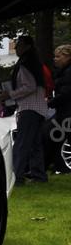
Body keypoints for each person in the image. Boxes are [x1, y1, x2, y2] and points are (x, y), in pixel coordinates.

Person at [0, 35, 49, 184]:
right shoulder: (34, 63)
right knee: (34, 144)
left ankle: (16, 175)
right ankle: (39, 175)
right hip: (37, 107)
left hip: (29, 107)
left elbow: (29, 87)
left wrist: (10, 94)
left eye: (19, 45)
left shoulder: (25, 64)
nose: (16, 48)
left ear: (27, 46)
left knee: (22, 143)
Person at [47, 43, 71, 174]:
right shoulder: (63, 72)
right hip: (64, 112)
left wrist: (50, 103)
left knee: (55, 136)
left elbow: (66, 93)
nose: (55, 59)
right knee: (57, 138)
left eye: (58, 56)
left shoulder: (67, 73)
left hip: (66, 113)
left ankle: (60, 166)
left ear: (67, 57)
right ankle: (59, 165)